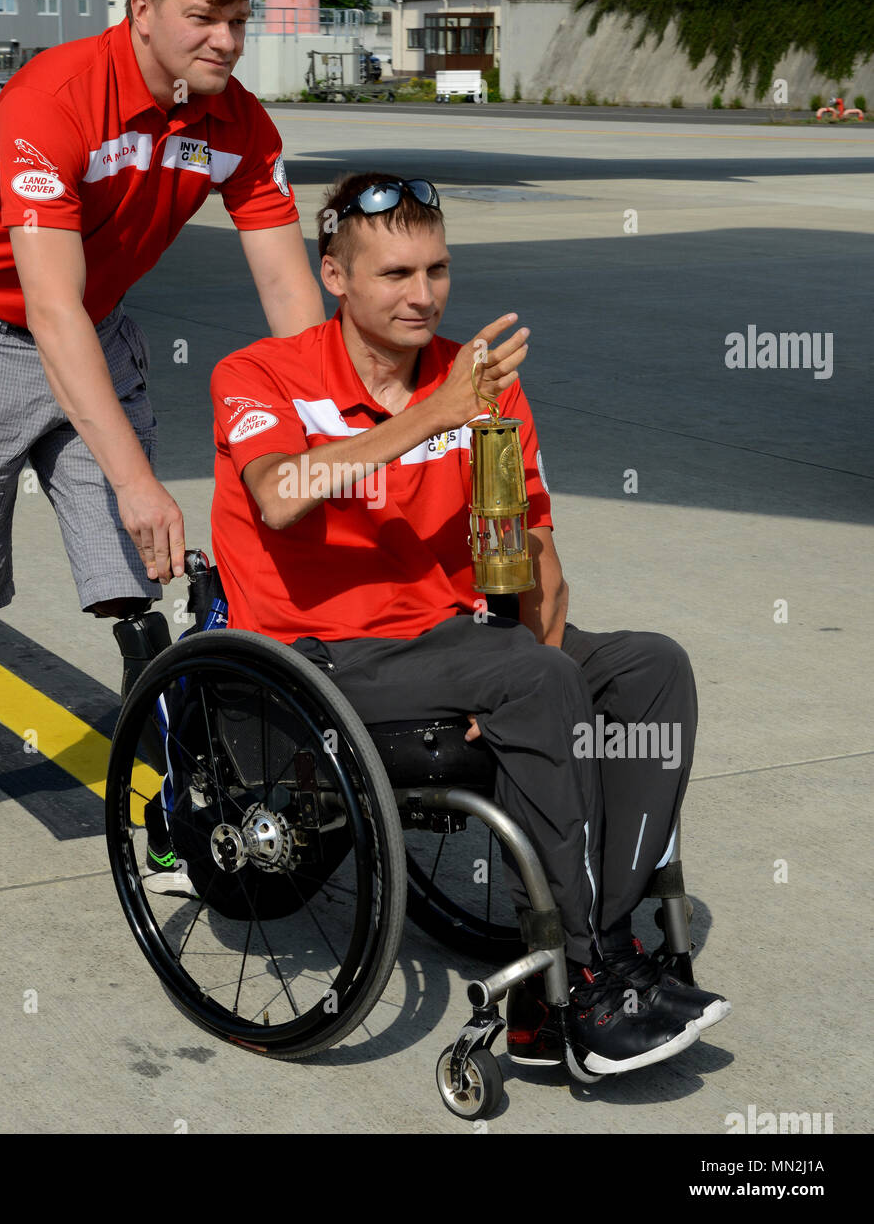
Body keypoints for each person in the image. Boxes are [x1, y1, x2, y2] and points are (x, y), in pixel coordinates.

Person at [206, 171, 732, 1076]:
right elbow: (280, 495)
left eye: (438, 270)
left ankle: (590, 946)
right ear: (334, 276)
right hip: (320, 658)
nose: (423, 294)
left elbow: (535, 551)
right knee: (535, 679)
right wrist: (429, 415)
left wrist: (550, 663)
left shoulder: (482, 386)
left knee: (650, 667)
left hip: (458, 644)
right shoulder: (260, 374)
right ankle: (588, 977)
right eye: (395, 274)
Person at [0, 0, 325, 872]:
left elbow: (283, 279)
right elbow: (48, 306)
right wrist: (138, 478)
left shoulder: (234, 123)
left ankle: (190, 802)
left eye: (240, 19)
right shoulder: (54, 96)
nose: (226, 40)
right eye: (203, 16)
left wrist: (331, 417)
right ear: (141, 9)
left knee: (135, 582)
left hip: (92, 336)